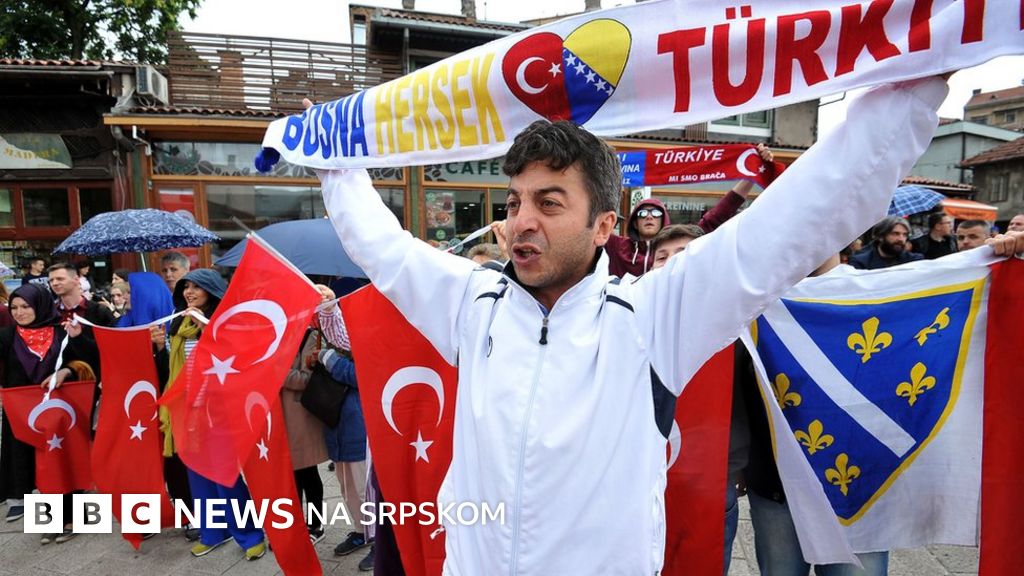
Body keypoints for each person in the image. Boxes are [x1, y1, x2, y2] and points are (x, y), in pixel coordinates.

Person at [314, 77, 977, 573]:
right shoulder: (470, 302)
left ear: (605, 225)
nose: (521, 222)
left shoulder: (650, 316)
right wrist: (332, 158)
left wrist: (915, 80)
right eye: (515, 203)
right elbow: (381, 245)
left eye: (549, 203)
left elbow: (809, 212)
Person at [153, 268, 266, 559]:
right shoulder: (177, 324)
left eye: (196, 287)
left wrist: (206, 325)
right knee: (198, 472)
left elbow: (238, 356)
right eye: (185, 287)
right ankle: (213, 531)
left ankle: (249, 533)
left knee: (225, 472)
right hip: (186, 408)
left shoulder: (225, 322)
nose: (189, 292)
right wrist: (159, 347)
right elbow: (172, 367)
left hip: (218, 408)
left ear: (211, 290)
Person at [0, 284, 98, 542]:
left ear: (40, 305)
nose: (19, 313)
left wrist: (65, 371)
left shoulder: (62, 331)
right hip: (25, 416)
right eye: (14, 308)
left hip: (62, 412)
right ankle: (50, 520)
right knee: (34, 466)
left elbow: (90, 361)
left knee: (66, 460)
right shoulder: (7, 336)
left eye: (26, 307)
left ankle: (74, 518)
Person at [605, 144, 774, 277]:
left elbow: (721, 213)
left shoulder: (689, 241)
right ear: (634, 220)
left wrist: (752, 172)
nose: (649, 216)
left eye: (655, 213)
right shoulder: (616, 247)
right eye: (642, 213)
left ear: (664, 219)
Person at [316, 294, 374, 571]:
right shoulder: (334, 340)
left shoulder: (370, 338)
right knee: (347, 486)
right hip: (337, 424)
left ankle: (380, 541)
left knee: (367, 487)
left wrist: (329, 360)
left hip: (361, 425)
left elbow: (363, 376)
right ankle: (361, 531)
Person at [281, 284, 331, 546]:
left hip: (299, 417)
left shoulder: (310, 336)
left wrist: (275, 372)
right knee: (286, 476)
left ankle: (315, 525)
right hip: (277, 419)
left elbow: (306, 379)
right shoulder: (274, 337)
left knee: (306, 473)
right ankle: (293, 524)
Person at [848, 217, 925, 270]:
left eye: (904, 235)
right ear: (881, 236)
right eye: (895, 234)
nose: (901, 239)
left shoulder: (914, 260)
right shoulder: (860, 262)